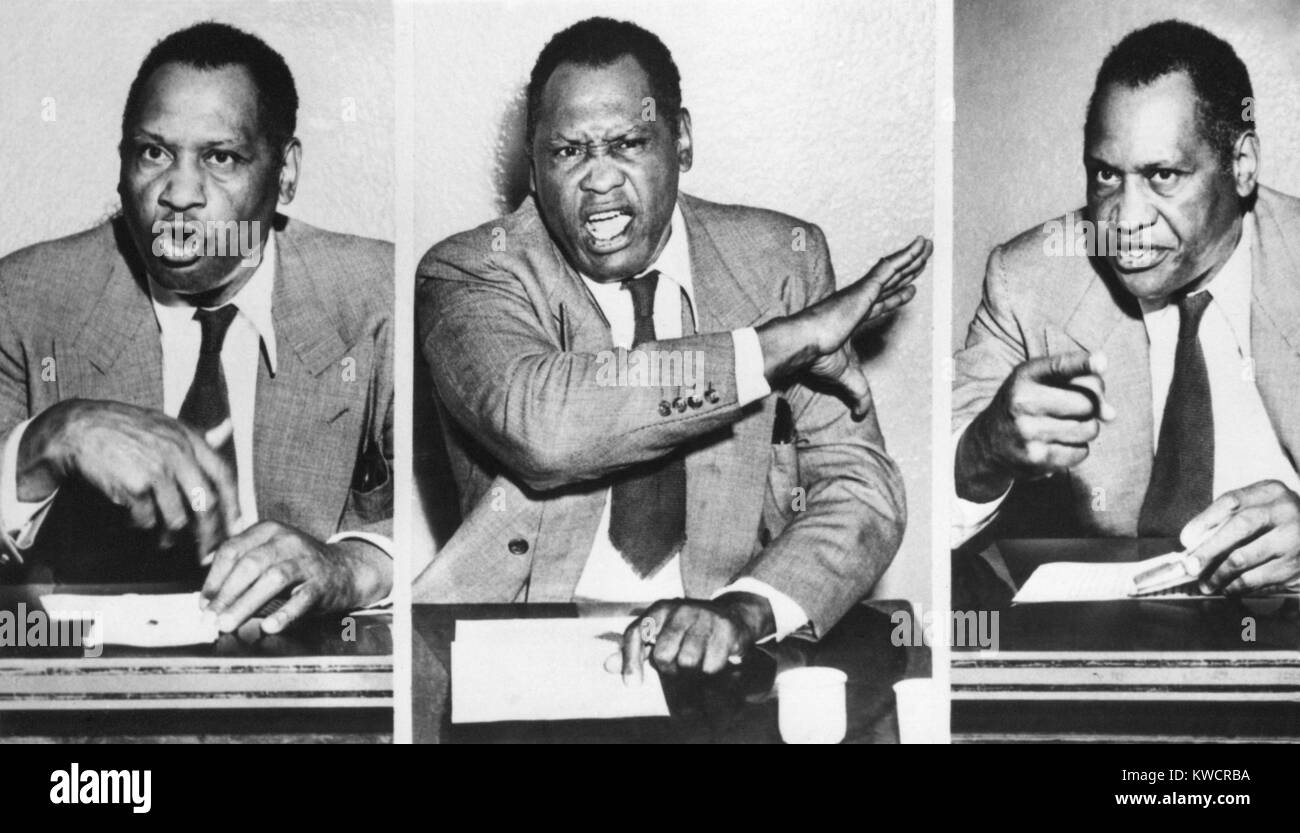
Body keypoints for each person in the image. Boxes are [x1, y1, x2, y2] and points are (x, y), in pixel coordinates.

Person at [416, 17, 928, 682]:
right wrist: (771, 350)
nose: (599, 182)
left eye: (628, 144)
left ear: (681, 140)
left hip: (724, 653)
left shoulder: (782, 262)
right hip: (518, 657)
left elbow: (861, 488)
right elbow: (545, 428)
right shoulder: (469, 271)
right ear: (534, 167)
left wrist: (747, 609)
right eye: (568, 153)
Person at [0, 22, 394, 633]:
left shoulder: (377, 298)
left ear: (285, 173)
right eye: (153, 152)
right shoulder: (26, 298)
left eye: (221, 157)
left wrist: (352, 565)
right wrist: (39, 447)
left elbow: (457, 528)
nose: (179, 192)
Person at [953, 20, 1300, 595]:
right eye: (1107, 176)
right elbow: (921, 499)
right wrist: (981, 452)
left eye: (1163, 176)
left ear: (1242, 165)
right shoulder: (1030, 279)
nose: (1125, 220)